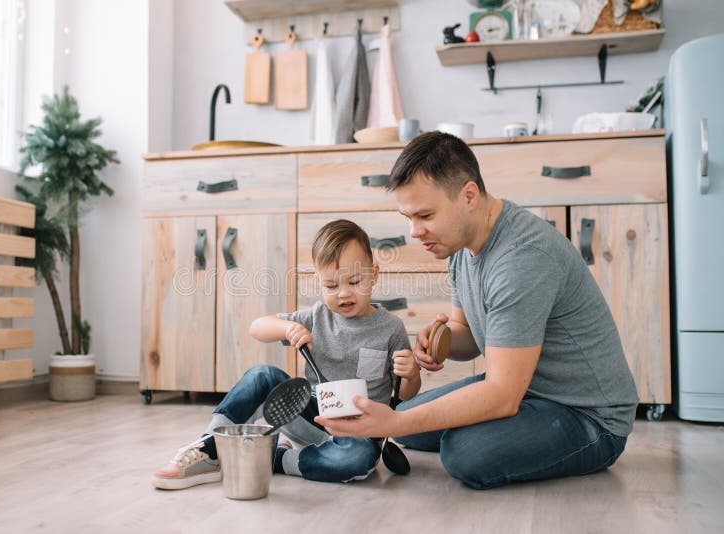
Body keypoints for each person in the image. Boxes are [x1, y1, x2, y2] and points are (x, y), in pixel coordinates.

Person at [316, 132, 639, 490]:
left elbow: (501, 393)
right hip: (528, 388)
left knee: (461, 453)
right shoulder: (458, 243)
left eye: (425, 215)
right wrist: (439, 341)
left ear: (469, 195)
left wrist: (390, 425)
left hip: (588, 416)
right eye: (408, 217)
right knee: (407, 416)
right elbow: (466, 335)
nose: (414, 231)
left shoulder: (521, 259)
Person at [152, 219, 419, 489]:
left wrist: (410, 373)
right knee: (262, 375)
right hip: (311, 416)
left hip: (361, 434)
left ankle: (274, 459)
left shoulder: (391, 328)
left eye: (354, 281)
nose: (343, 293)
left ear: (374, 274)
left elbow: (406, 395)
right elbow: (257, 327)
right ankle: (211, 447)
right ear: (319, 282)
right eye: (331, 286)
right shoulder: (316, 317)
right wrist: (288, 328)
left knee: (356, 460)